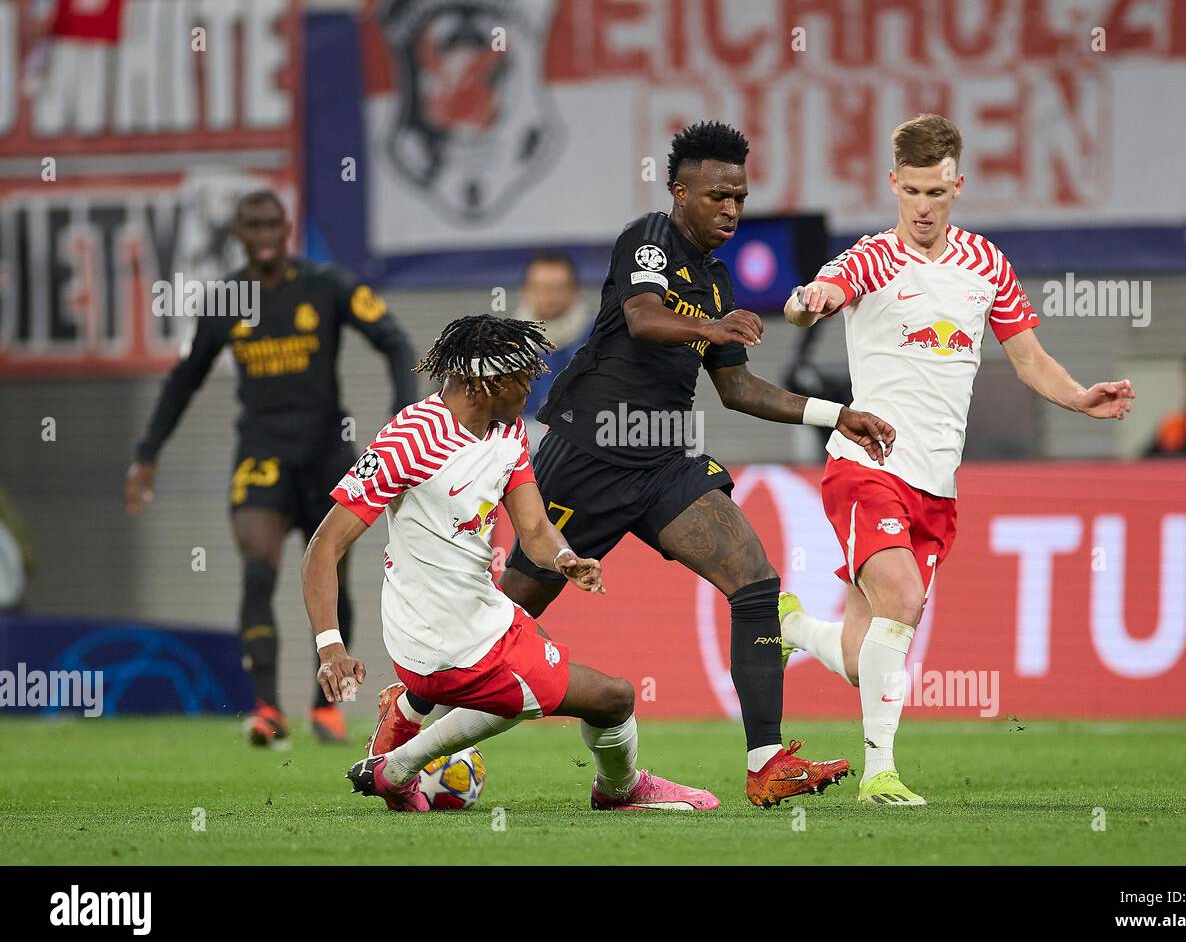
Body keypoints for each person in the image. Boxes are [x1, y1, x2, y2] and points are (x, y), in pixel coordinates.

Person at [370, 121, 897, 809]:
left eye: (739, 196)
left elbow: (736, 390)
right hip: (585, 459)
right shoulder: (647, 238)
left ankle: (766, 763)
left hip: (664, 464)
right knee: (500, 629)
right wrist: (713, 328)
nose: (732, 209)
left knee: (756, 582)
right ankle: (406, 710)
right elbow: (645, 317)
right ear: (680, 193)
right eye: (717, 196)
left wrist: (836, 413)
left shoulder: (715, 278)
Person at [781, 113, 1136, 806]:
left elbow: (1029, 359)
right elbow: (819, 298)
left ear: (957, 186)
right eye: (911, 191)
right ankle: (879, 772)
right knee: (905, 602)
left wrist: (1080, 397)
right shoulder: (873, 258)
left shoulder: (986, 266)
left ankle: (791, 626)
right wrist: (809, 302)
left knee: (863, 657)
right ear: (893, 185)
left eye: (936, 193)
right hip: (867, 465)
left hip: (936, 486)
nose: (922, 206)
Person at [303, 315, 719, 812]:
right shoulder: (409, 440)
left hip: (481, 615)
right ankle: (615, 789)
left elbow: (536, 529)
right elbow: (324, 547)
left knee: (531, 669)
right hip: (437, 638)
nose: (532, 383)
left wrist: (565, 558)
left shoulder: (509, 434)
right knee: (616, 697)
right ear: (486, 383)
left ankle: (406, 717)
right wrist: (330, 647)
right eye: (522, 375)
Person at [125, 190, 417, 747]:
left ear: (287, 228)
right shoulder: (226, 300)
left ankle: (324, 708)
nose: (262, 233)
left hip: (327, 452)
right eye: (251, 224)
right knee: (259, 571)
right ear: (237, 232)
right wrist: (147, 452)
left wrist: (404, 410)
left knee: (331, 568)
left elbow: (392, 337)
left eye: (271, 223)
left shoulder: (327, 285)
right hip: (261, 454)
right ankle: (266, 709)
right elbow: (184, 379)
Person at [513, 252, 592, 445]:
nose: (549, 297)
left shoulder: (601, 340)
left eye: (558, 288)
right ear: (523, 292)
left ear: (576, 291)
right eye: (540, 288)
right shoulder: (502, 345)